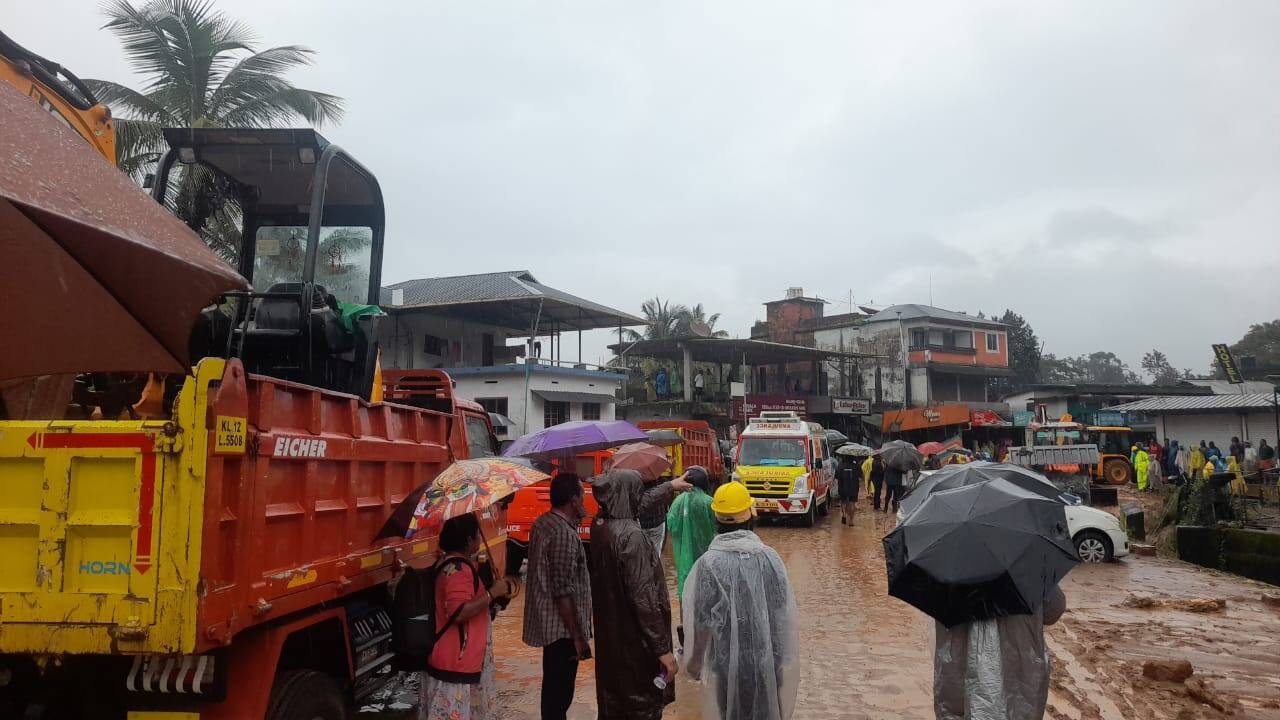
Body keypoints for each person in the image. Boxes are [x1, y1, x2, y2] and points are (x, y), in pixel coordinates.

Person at [682, 482, 799, 720]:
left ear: (717, 519)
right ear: (750, 515)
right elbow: (782, 612)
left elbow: (703, 621)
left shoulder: (708, 564)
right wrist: (780, 656)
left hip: (728, 666)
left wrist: (694, 662)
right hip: (768, 661)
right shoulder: (771, 558)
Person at [588, 469, 678, 720]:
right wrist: (662, 649)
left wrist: (670, 486)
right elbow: (644, 599)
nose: (640, 499)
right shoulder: (632, 537)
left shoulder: (600, 527)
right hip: (636, 647)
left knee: (614, 707)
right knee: (641, 707)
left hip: (611, 644)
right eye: (637, 493)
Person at [422, 513, 514, 720]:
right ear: (469, 540)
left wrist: (494, 600)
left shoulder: (453, 563)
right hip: (455, 664)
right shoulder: (458, 570)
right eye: (477, 535)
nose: (480, 539)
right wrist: (492, 593)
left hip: (457, 662)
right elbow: (459, 612)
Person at [933, 585, 1067, 720]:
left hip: (957, 685)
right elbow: (1054, 611)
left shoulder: (947, 577)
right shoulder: (1029, 574)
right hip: (1020, 684)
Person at [522, 474, 592, 720]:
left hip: (550, 628)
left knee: (552, 694)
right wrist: (578, 638)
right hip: (563, 631)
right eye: (582, 495)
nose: (584, 500)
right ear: (573, 500)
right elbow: (562, 590)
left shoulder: (543, 523)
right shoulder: (563, 533)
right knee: (559, 698)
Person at [666, 466, 717, 601]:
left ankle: (684, 613)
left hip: (682, 555)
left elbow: (671, 526)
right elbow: (717, 527)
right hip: (706, 554)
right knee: (706, 588)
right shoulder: (709, 502)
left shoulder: (677, 501)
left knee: (685, 587)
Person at [837, 453, 861, 524]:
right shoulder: (856, 465)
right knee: (852, 503)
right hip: (853, 487)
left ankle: (844, 515)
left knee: (843, 501)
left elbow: (836, 476)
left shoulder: (840, 465)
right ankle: (851, 521)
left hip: (842, 487)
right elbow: (860, 476)